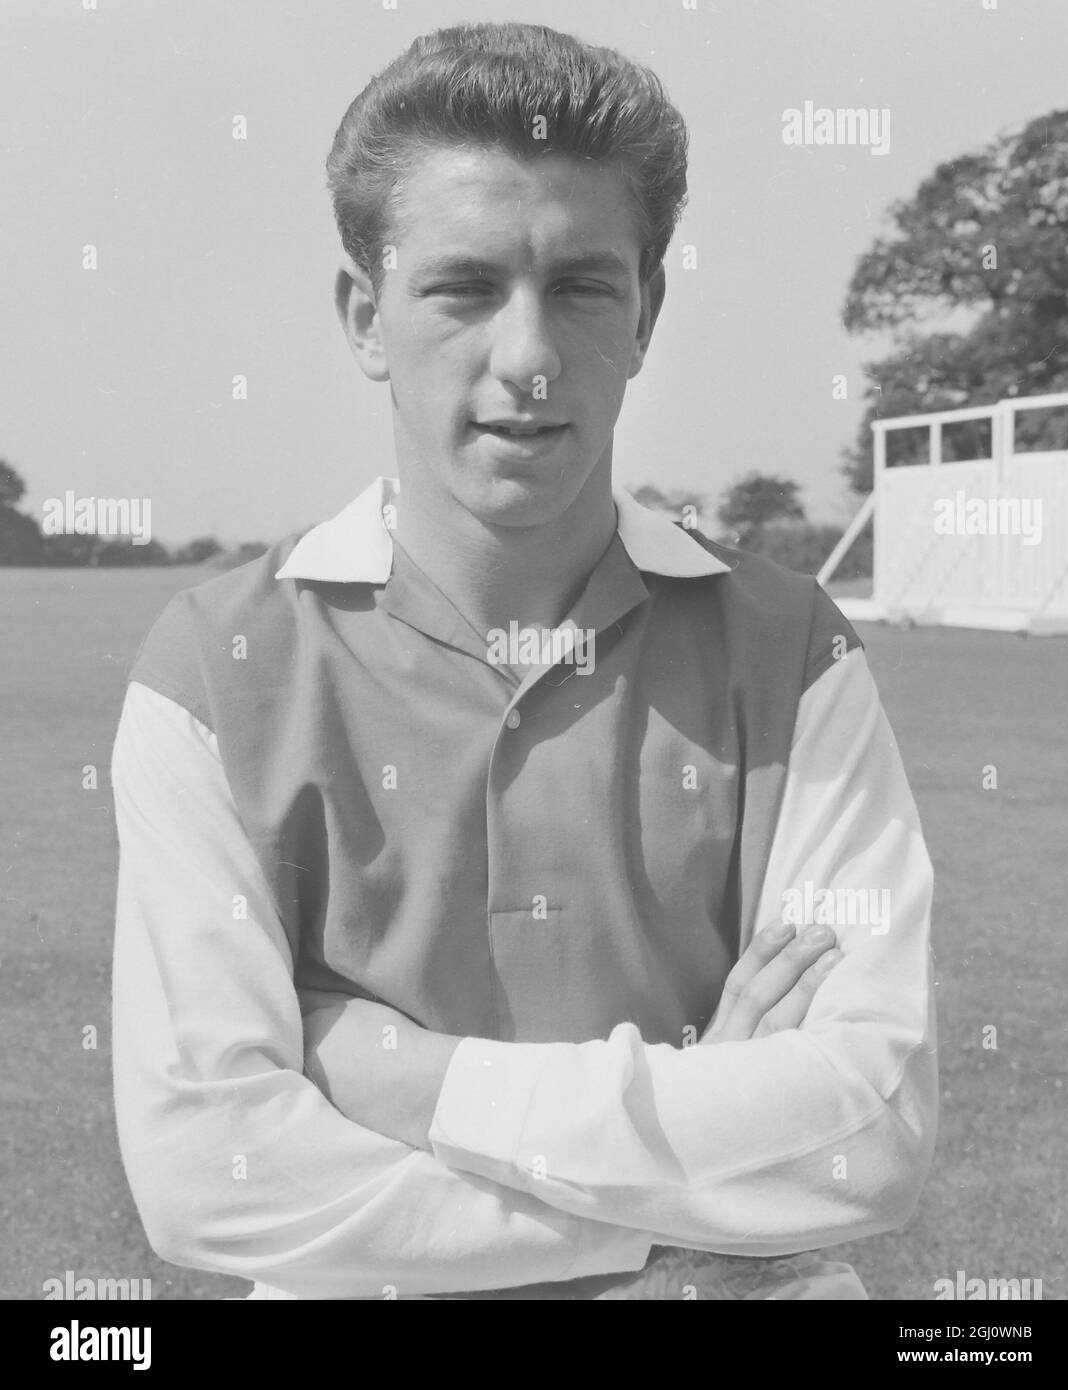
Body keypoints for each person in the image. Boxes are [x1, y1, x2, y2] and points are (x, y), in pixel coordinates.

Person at [111, 20, 937, 1300]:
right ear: (364, 314)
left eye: (581, 285)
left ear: (645, 312)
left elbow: (868, 1141)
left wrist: (407, 1078)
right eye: (463, 285)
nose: (528, 355)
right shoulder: (213, 672)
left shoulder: (793, 656)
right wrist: (682, 1198)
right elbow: (205, 1172)